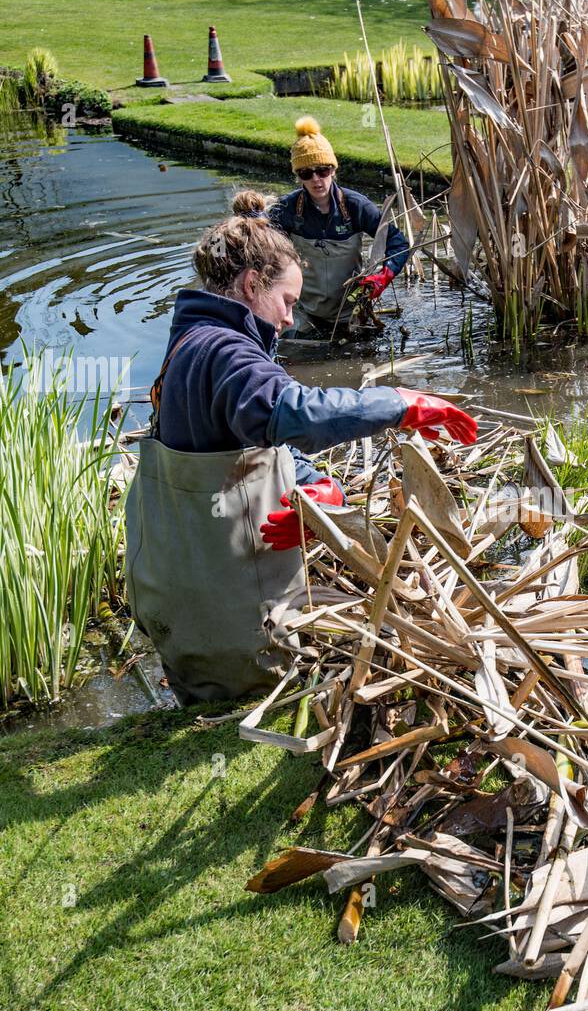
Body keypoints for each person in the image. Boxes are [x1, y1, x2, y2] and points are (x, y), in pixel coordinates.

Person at [125, 195, 477, 705]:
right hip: (229, 604)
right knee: (249, 704)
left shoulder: (192, 340)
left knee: (203, 696)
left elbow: (251, 440)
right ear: (251, 285)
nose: (291, 318)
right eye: (288, 301)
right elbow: (295, 413)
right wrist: (397, 403)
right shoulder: (228, 352)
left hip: (179, 594)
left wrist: (314, 487)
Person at [262, 116, 409, 336]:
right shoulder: (287, 209)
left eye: (322, 170)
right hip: (304, 312)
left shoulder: (357, 206)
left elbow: (400, 244)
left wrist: (382, 277)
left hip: (350, 310)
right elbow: (261, 252)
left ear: (333, 170)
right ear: (298, 177)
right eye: (306, 173)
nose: (316, 180)